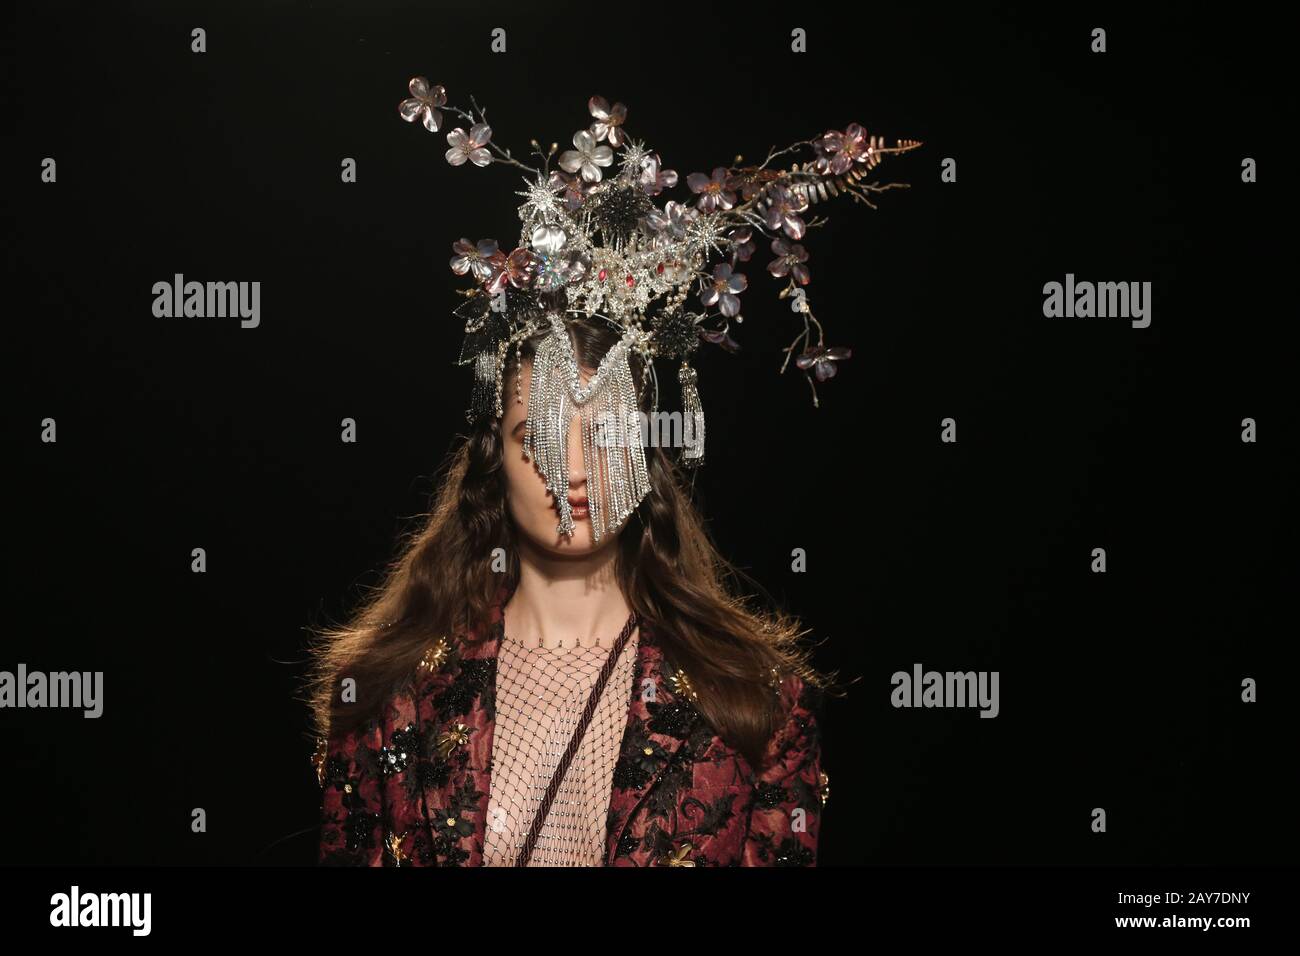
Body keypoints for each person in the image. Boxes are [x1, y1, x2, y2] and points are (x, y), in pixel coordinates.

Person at [304, 313, 833, 866]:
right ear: (495, 458)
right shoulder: (390, 693)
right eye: (542, 438)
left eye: (605, 435)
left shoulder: (758, 701)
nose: (573, 472)